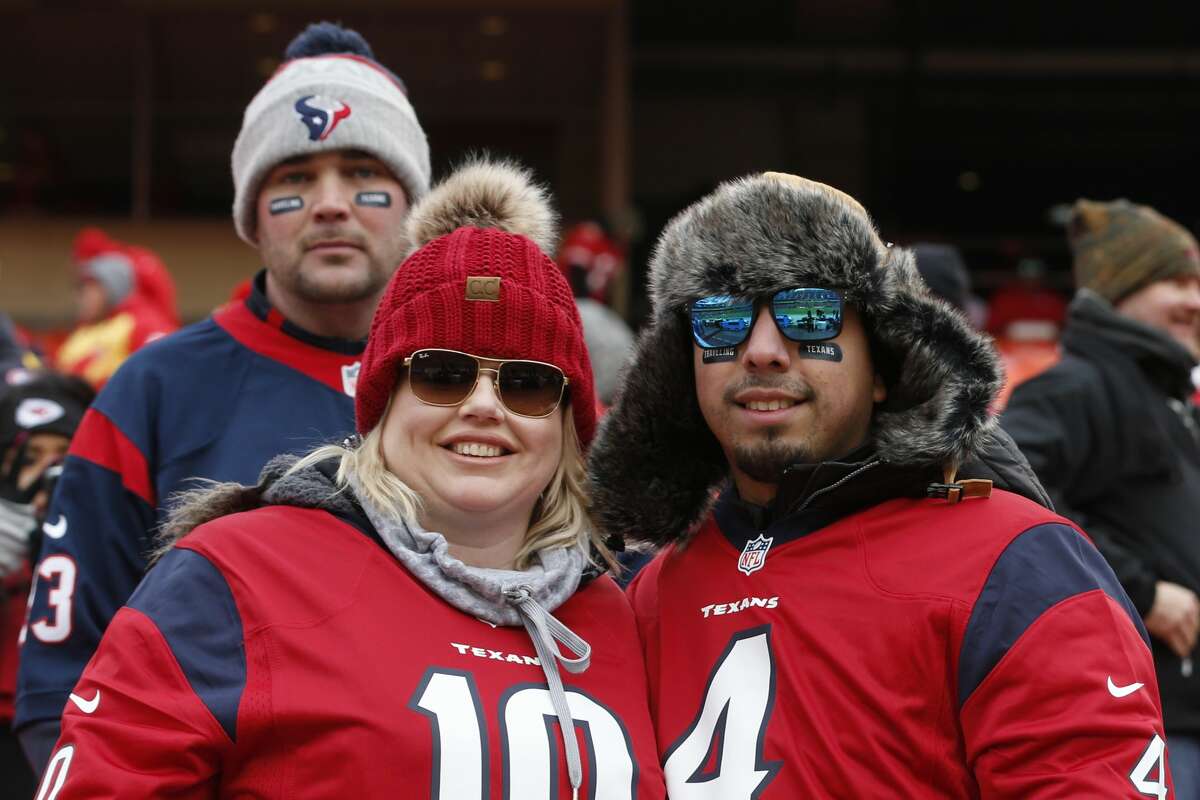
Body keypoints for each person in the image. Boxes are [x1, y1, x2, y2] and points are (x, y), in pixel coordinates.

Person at [36, 159, 666, 799]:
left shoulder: (622, 613)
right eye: (441, 374)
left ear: (568, 423)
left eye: (527, 383)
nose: (484, 405)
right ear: (382, 400)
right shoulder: (236, 575)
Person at [587, 173, 1172, 797]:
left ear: (884, 369)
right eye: (721, 319)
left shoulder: (1019, 565)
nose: (761, 350)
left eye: (809, 314)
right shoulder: (649, 588)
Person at [15, 20, 431, 770]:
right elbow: (62, 689)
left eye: (361, 170)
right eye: (294, 179)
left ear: (411, 201)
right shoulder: (154, 388)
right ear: (250, 215)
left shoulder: (493, 385)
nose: (329, 203)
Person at [1003, 198, 1200, 797]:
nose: (1195, 300)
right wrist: (1139, 590)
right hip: (1146, 724)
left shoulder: (1162, 393)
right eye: (1176, 281)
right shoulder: (1079, 385)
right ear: (1119, 290)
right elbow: (1009, 482)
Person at [0, 372, 92, 799]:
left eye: (61, 456)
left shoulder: (105, 527)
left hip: (75, 719)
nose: (45, 474)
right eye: (31, 456)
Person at [55, 227, 179, 389]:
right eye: (79, 289)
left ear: (111, 287)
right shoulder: (86, 330)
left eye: (89, 288)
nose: (81, 297)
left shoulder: (142, 323)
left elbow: (164, 373)